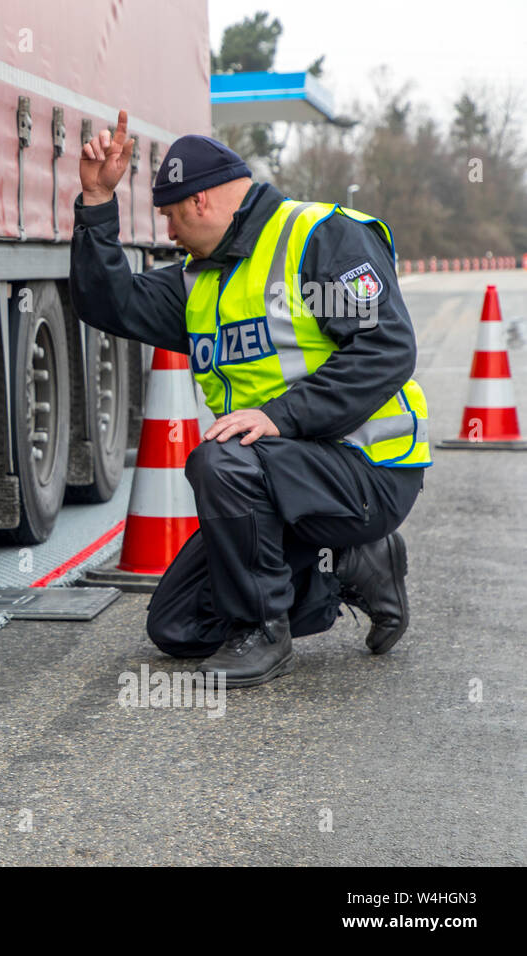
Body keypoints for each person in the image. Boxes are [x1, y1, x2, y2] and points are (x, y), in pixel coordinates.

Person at [69, 110, 431, 688]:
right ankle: (355, 561)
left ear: (201, 203)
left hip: (369, 472)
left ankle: (263, 632)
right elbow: (107, 303)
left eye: (169, 216)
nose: (168, 233)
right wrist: (95, 202)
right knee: (178, 627)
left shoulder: (319, 239)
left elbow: (385, 349)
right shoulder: (200, 280)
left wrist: (278, 417)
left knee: (219, 457)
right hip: (275, 479)